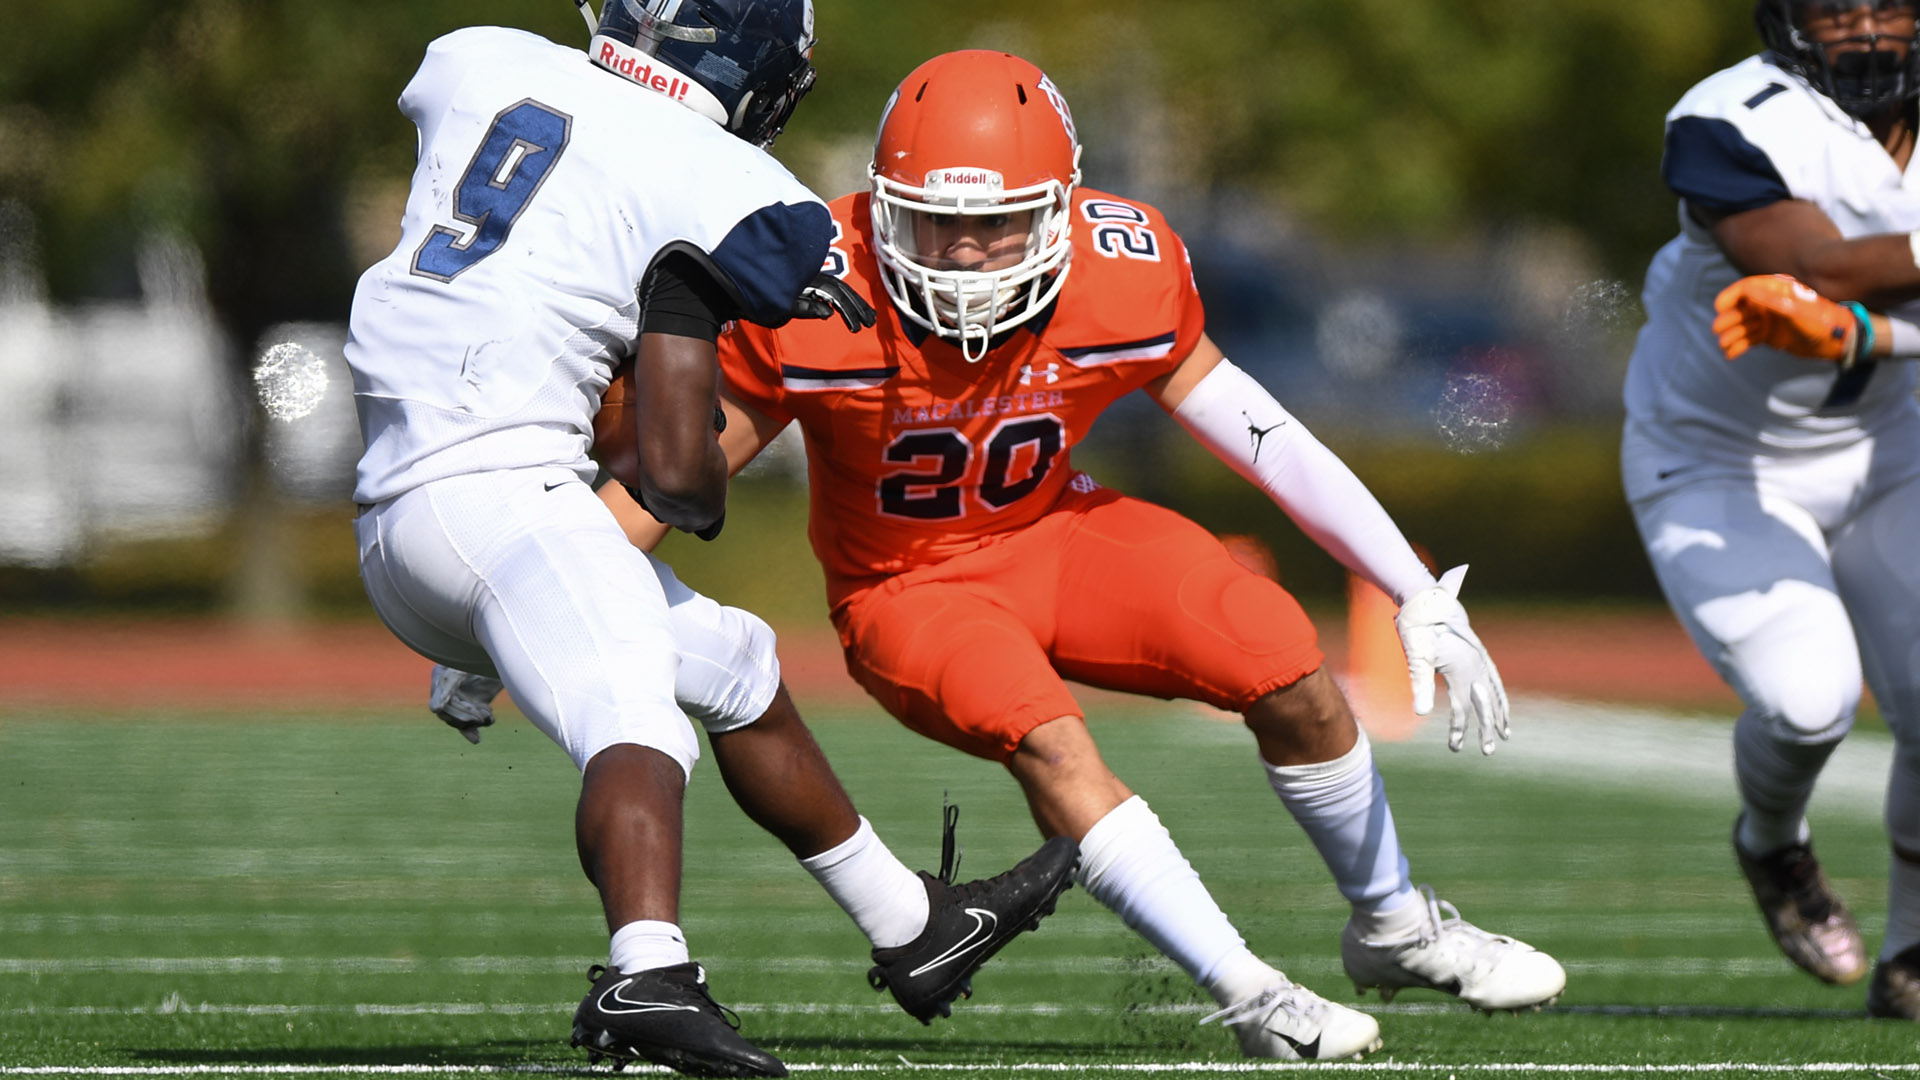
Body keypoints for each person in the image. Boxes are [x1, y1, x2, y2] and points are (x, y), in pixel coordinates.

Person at [586, 48, 1566, 1061]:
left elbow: (1267, 438)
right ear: (881, 209)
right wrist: (511, 597)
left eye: (995, 222)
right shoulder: (812, 283)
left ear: (1062, 206)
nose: (963, 253)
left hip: (1053, 531)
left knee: (1284, 657)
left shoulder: (1124, 274)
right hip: (906, 586)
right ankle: (1253, 995)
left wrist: (1407, 584)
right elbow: (668, 487)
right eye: (935, 221)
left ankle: (1396, 925)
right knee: (1053, 738)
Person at [345, 5, 1074, 1075]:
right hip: (499, 504)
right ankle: (646, 974)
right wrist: (685, 310)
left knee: (735, 663)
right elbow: (683, 482)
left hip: (406, 512)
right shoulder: (719, 176)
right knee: (636, 712)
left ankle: (911, 927)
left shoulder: (479, 57)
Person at [1621, 0, 1920, 1021]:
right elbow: (1824, 272)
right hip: (1721, 461)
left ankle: (1913, 955)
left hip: (1892, 445)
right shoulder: (1730, 118)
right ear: (1791, 19)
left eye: (1892, 3)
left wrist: (1874, 340)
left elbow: (1862, 327)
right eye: (1841, 7)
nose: (1870, 30)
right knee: (1808, 699)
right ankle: (1774, 844)